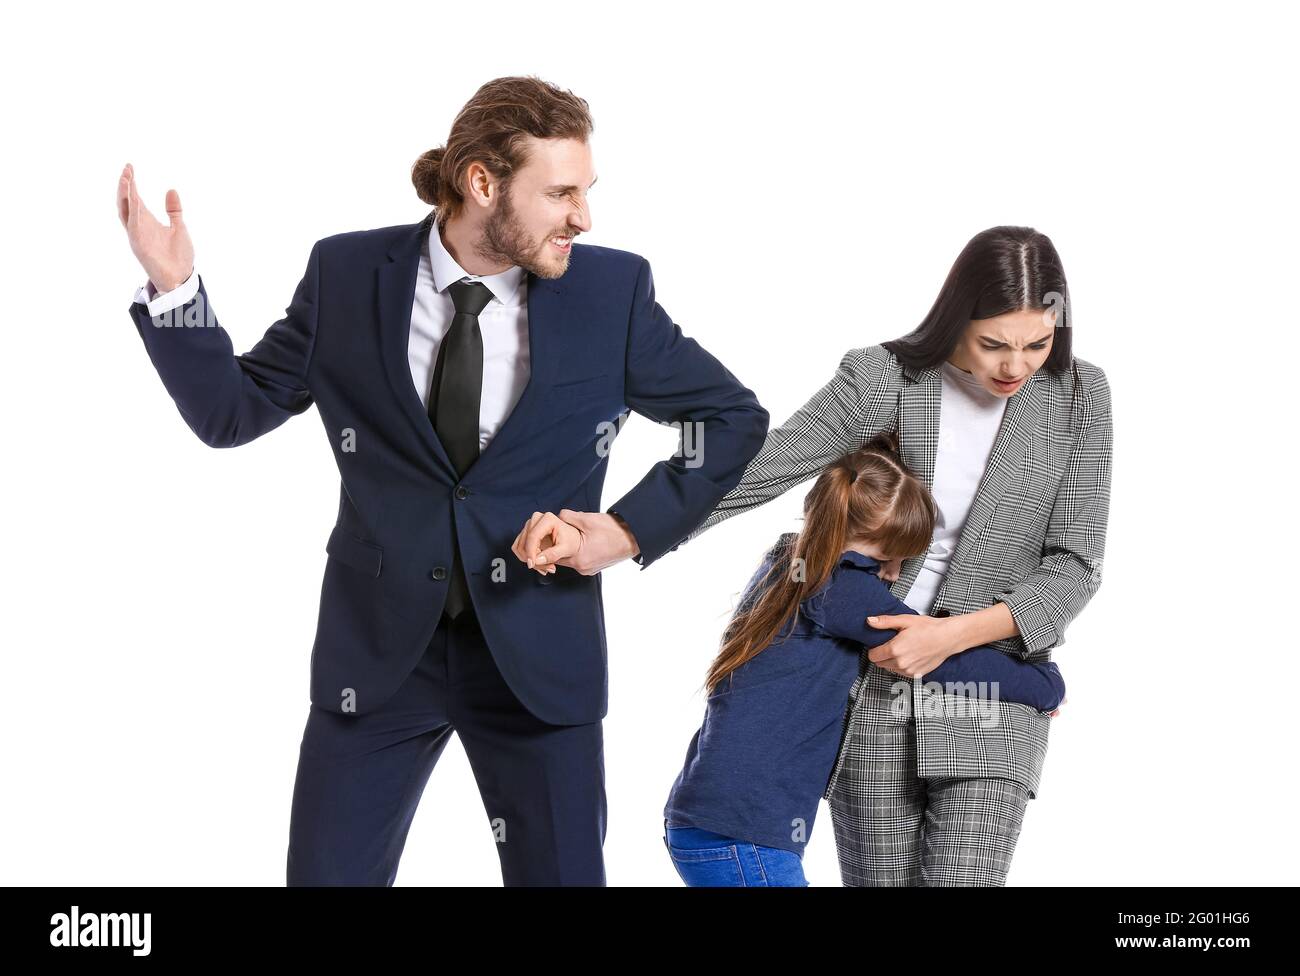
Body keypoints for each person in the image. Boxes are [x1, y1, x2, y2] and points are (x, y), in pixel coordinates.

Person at [116, 75, 769, 886]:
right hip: (380, 659)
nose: (584, 217)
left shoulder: (611, 292)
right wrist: (178, 291)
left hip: (537, 661)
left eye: (587, 192)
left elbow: (731, 419)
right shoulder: (348, 274)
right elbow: (233, 412)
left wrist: (625, 530)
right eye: (561, 193)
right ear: (482, 183)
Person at [677, 226, 1112, 885]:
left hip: (987, 682)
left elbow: (1075, 564)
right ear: (954, 318)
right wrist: (621, 531)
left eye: (1037, 343)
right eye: (994, 343)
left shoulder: (1079, 395)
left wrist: (950, 636)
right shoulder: (886, 379)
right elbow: (762, 469)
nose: (1014, 366)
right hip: (870, 685)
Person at [661, 433, 1064, 886]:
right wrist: (1042, 684)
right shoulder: (841, 588)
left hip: (706, 819)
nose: (892, 575)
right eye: (886, 559)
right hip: (742, 833)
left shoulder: (787, 564)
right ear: (857, 544)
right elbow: (935, 655)